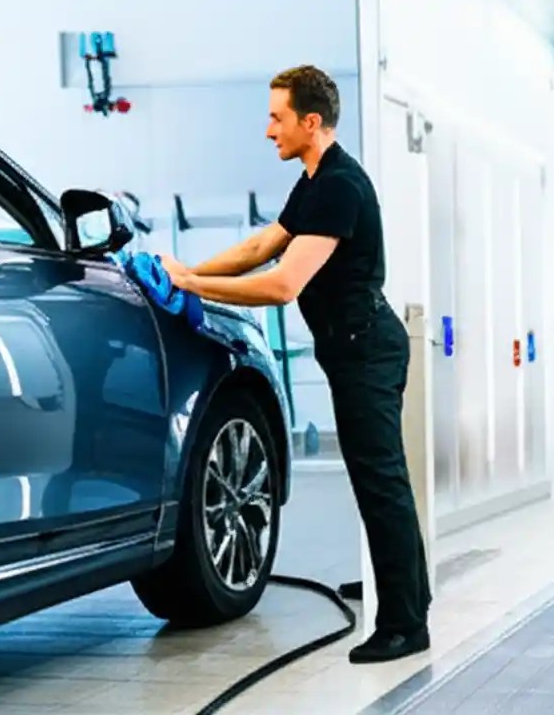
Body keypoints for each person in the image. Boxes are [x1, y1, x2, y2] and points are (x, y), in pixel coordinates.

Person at [158, 64, 433, 664]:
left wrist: (195, 288)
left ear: (312, 122)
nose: (267, 130)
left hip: (366, 348)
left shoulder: (338, 185)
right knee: (382, 481)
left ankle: (405, 625)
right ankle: (409, 596)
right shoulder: (313, 181)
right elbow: (262, 246)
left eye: (276, 117)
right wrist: (187, 271)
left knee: (381, 484)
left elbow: (283, 283)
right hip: (355, 347)